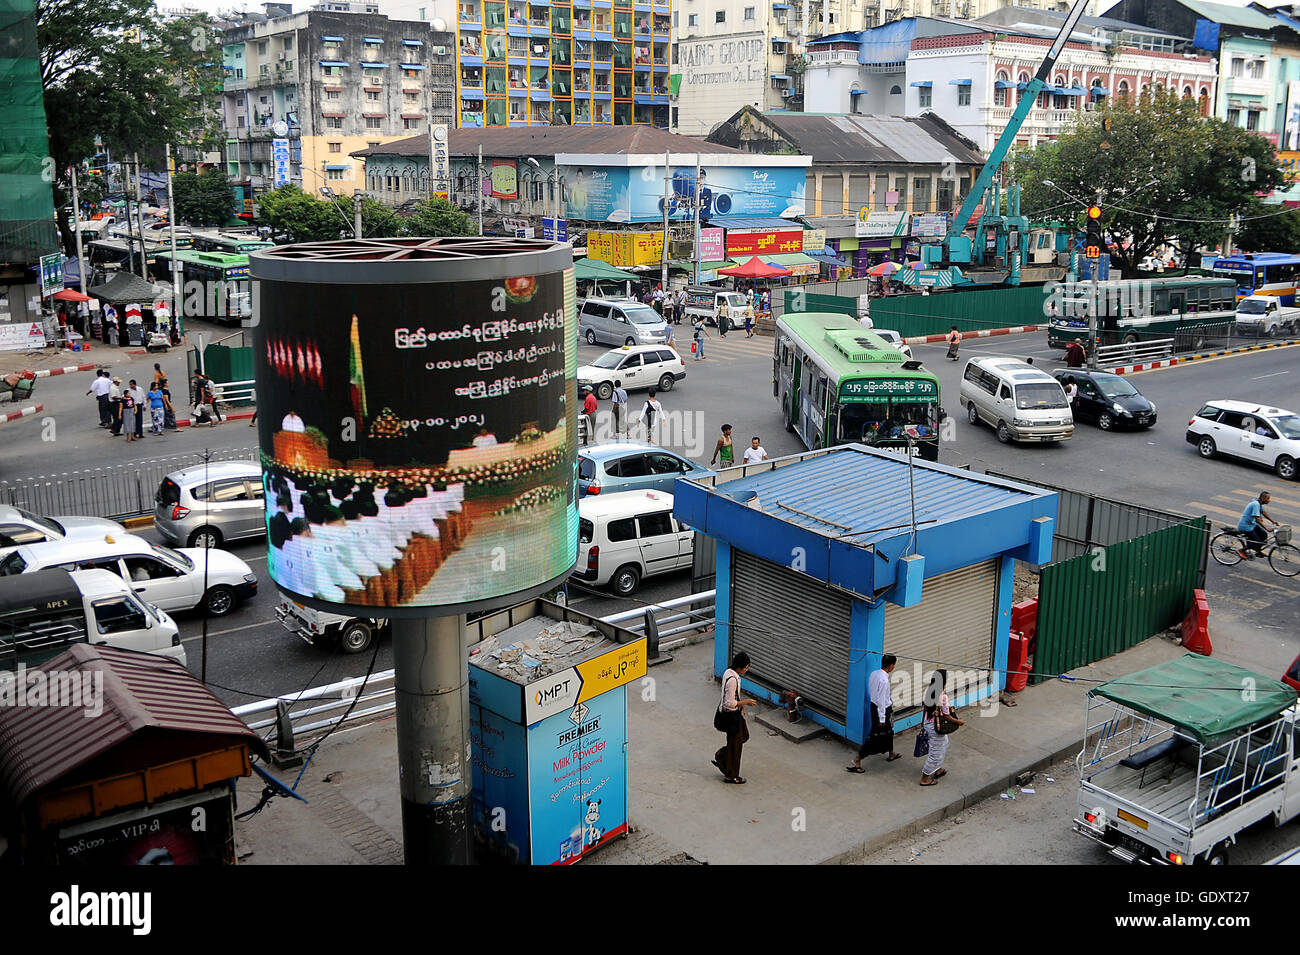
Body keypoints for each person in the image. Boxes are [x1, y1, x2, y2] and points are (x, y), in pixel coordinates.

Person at [847, 654, 901, 770]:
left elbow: (872, 692)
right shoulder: (884, 680)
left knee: (889, 731)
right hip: (882, 710)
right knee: (875, 735)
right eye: (894, 665)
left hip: (875, 707)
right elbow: (881, 701)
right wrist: (882, 718)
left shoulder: (874, 674)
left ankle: (891, 752)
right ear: (891, 666)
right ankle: (857, 759)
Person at [712, 651, 757, 784]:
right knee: (736, 747)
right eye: (746, 667)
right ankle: (731, 775)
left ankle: (723, 758)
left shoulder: (729, 672)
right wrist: (746, 702)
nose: (746, 670)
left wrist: (741, 704)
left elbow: (732, 697)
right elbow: (729, 703)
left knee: (743, 737)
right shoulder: (732, 680)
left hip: (734, 714)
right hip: (731, 717)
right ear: (739, 667)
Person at [919, 670, 964, 786]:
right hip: (936, 728)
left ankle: (937, 769)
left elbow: (925, 708)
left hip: (928, 723)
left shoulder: (928, 690)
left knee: (944, 744)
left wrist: (922, 722)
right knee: (935, 753)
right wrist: (958, 722)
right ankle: (925, 778)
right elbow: (947, 716)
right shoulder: (942, 696)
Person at [1237, 491, 1277, 560]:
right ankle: (1241, 550)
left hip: (1252, 525)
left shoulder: (1259, 503)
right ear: (1263, 498)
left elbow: (1264, 513)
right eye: (1267, 498)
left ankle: (1257, 551)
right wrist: (1267, 528)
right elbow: (1257, 519)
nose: (1269, 500)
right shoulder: (1256, 504)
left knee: (1264, 535)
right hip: (1246, 527)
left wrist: (1273, 521)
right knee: (1256, 541)